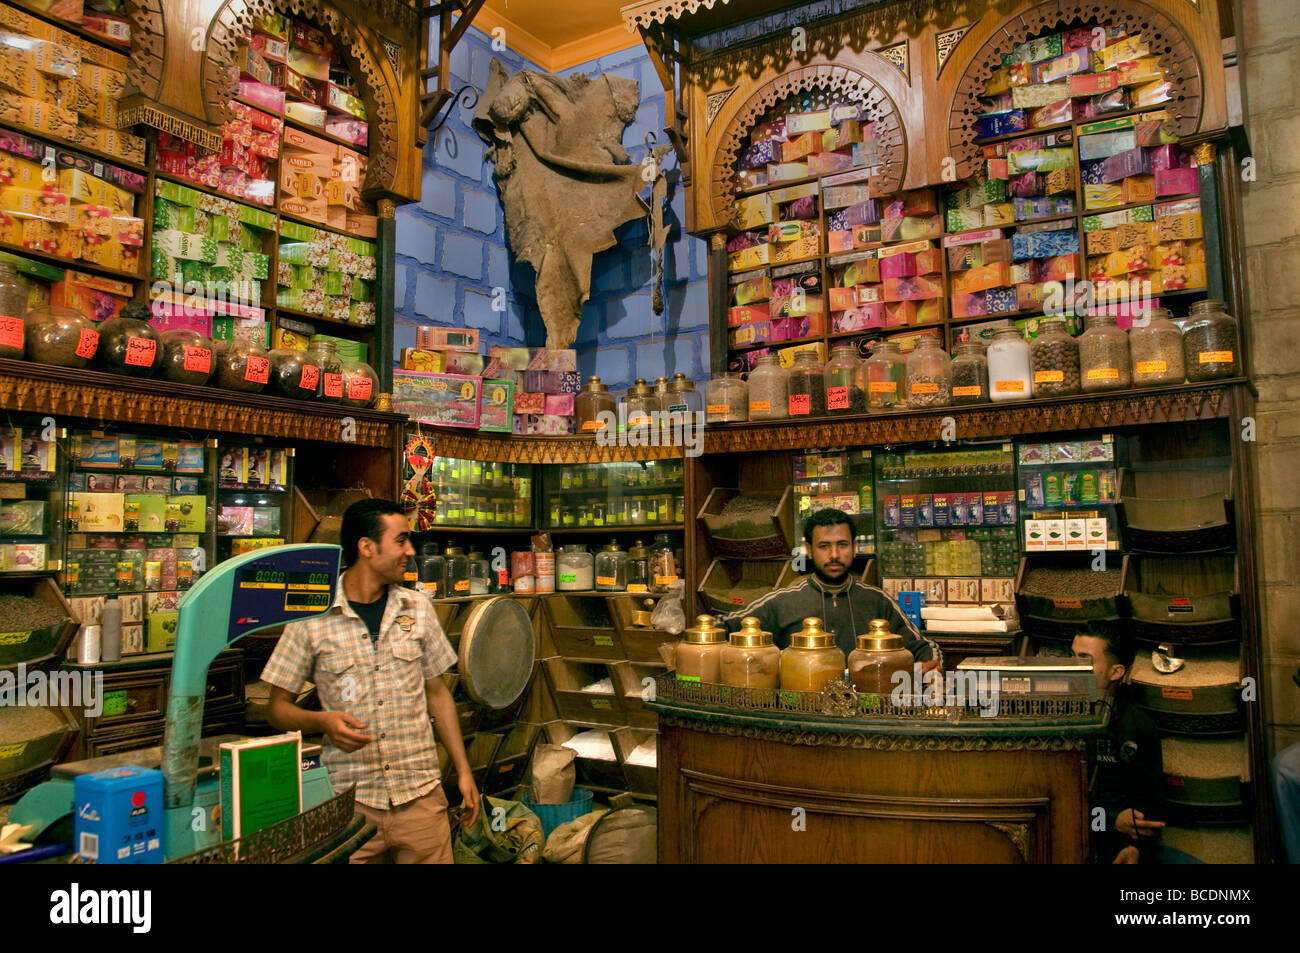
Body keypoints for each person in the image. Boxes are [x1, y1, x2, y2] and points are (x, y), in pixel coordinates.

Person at [261, 498, 479, 863]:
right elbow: (276, 709)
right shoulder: (313, 618)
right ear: (366, 547)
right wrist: (321, 721)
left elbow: (438, 693)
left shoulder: (418, 608)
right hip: (350, 805)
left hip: (421, 798)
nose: (409, 551)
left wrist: (463, 771)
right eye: (400, 540)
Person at [722, 508, 941, 669]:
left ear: (855, 548)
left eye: (842, 545)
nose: (834, 555)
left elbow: (926, 648)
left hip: (867, 712)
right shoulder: (782, 601)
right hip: (802, 715)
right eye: (824, 546)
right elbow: (720, 628)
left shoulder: (877, 601)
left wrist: (926, 670)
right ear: (809, 550)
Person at [1072, 621, 1166, 864]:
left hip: (1120, 848)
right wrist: (1111, 820)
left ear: (1116, 672)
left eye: (1084, 660)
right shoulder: (1052, 721)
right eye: (1070, 657)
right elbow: (1062, 809)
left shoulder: (1139, 726)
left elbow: (1151, 805)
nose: (1071, 668)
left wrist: (1137, 848)